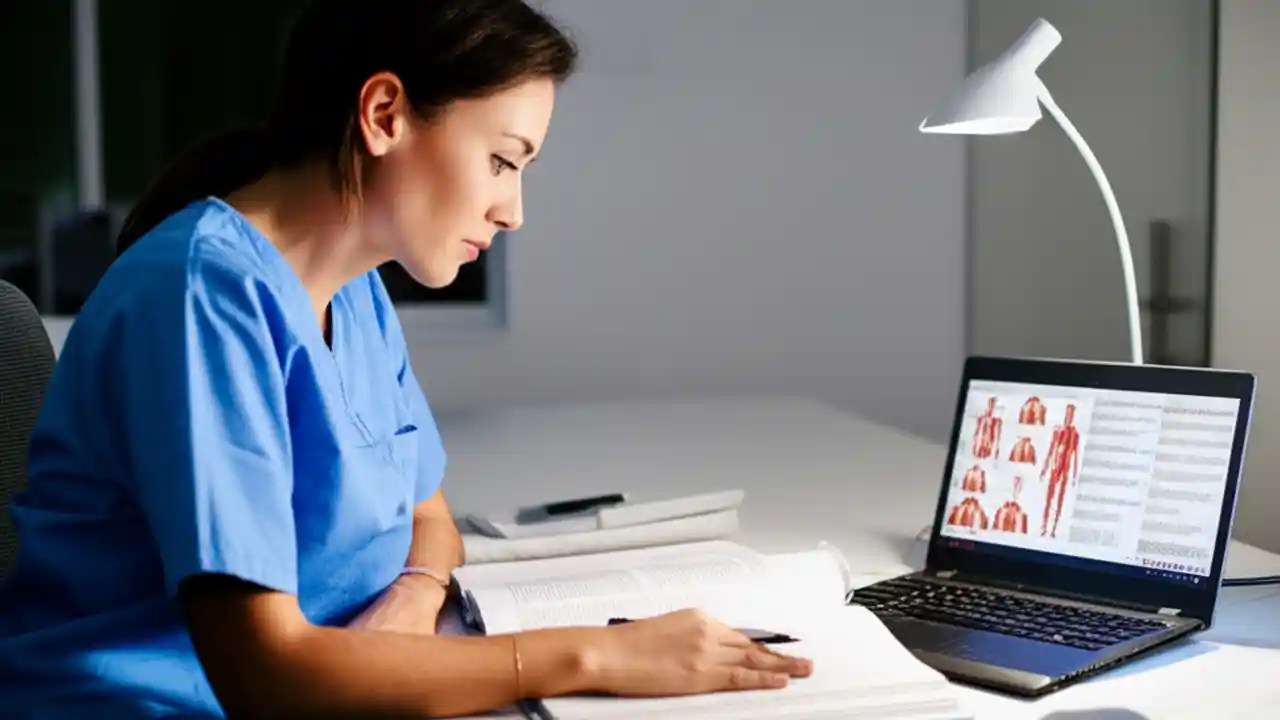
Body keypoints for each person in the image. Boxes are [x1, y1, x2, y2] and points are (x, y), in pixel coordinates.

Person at [0, 1, 813, 717]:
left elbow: (431, 518)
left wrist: (412, 600)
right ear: (385, 112)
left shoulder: (353, 291)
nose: (514, 210)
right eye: (503, 160)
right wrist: (596, 656)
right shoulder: (199, 295)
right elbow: (263, 675)